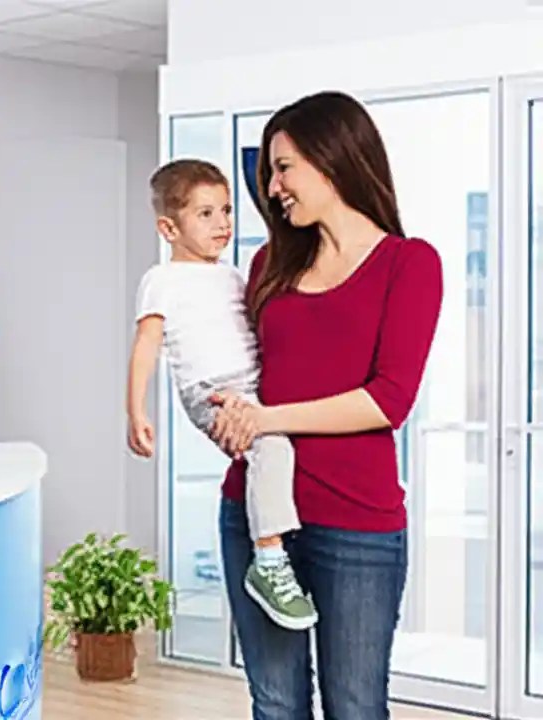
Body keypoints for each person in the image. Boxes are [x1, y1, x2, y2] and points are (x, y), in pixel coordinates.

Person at [208, 90, 443, 719]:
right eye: (271, 173)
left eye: (283, 168)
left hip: (357, 524)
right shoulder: (267, 264)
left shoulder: (409, 264)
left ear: (331, 159)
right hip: (255, 516)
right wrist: (227, 416)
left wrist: (267, 418)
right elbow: (244, 376)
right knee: (277, 703)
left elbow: (388, 400)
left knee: (355, 706)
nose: (273, 186)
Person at [126, 158, 315, 632]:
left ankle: (278, 545)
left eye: (227, 210)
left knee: (278, 449)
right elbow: (146, 346)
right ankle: (269, 560)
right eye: (205, 213)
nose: (223, 223)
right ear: (169, 227)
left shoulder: (232, 274)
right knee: (271, 448)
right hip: (212, 392)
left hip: (252, 384)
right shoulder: (162, 281)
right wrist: (136, 411)